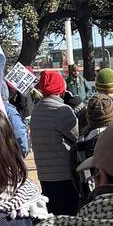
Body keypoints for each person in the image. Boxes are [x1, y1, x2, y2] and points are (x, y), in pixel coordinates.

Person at [29, 69, 81, 217]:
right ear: (60, 86)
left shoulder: (37, 110)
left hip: (45, 175)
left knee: (54, 217)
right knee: (69, 218)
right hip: (64, 175)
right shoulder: (62, 110)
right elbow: (77, 135)